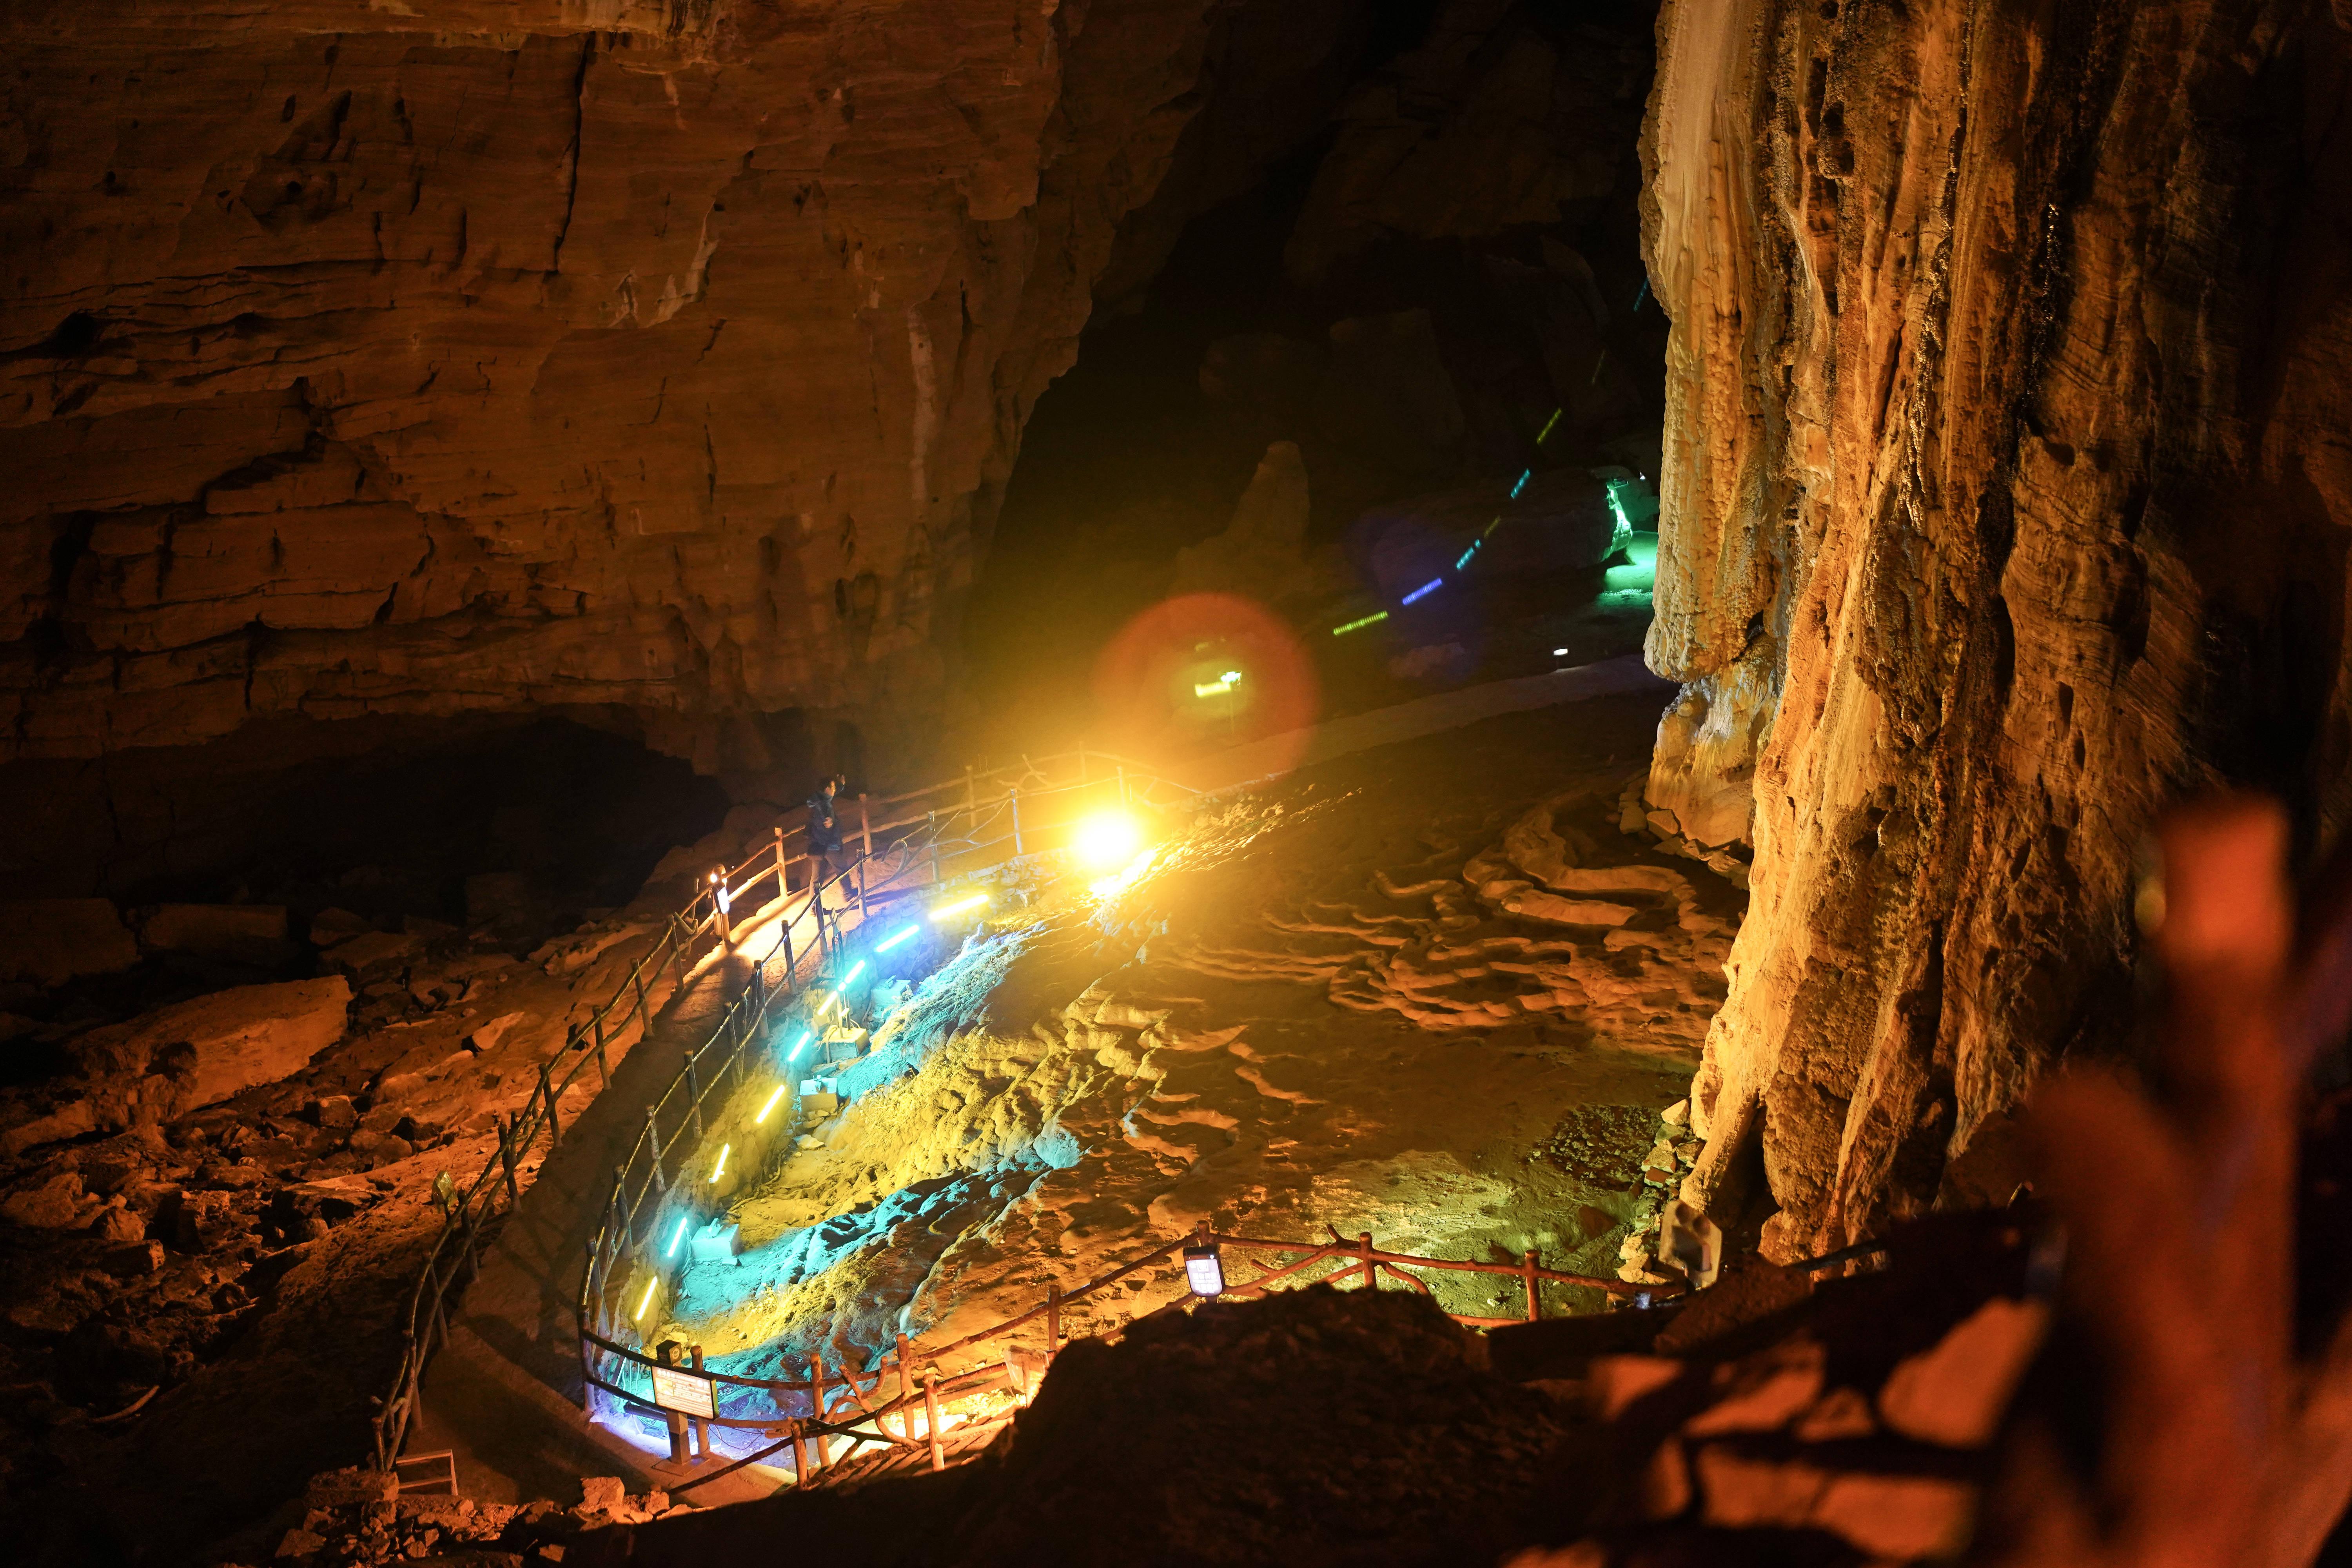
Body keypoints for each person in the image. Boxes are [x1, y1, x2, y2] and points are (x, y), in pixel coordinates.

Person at [805, 773, 853, 907]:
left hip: (817, 846)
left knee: (816, 878)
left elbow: (832, 795)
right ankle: (849, 894)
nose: (834, 790)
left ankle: (814, 907)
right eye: (832, 787)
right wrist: (830, 823)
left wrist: (841, 785)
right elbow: (822, 825)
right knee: (842, 869)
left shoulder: (820, 800)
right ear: (827, 789)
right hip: (828, 845)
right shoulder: (822, 805)